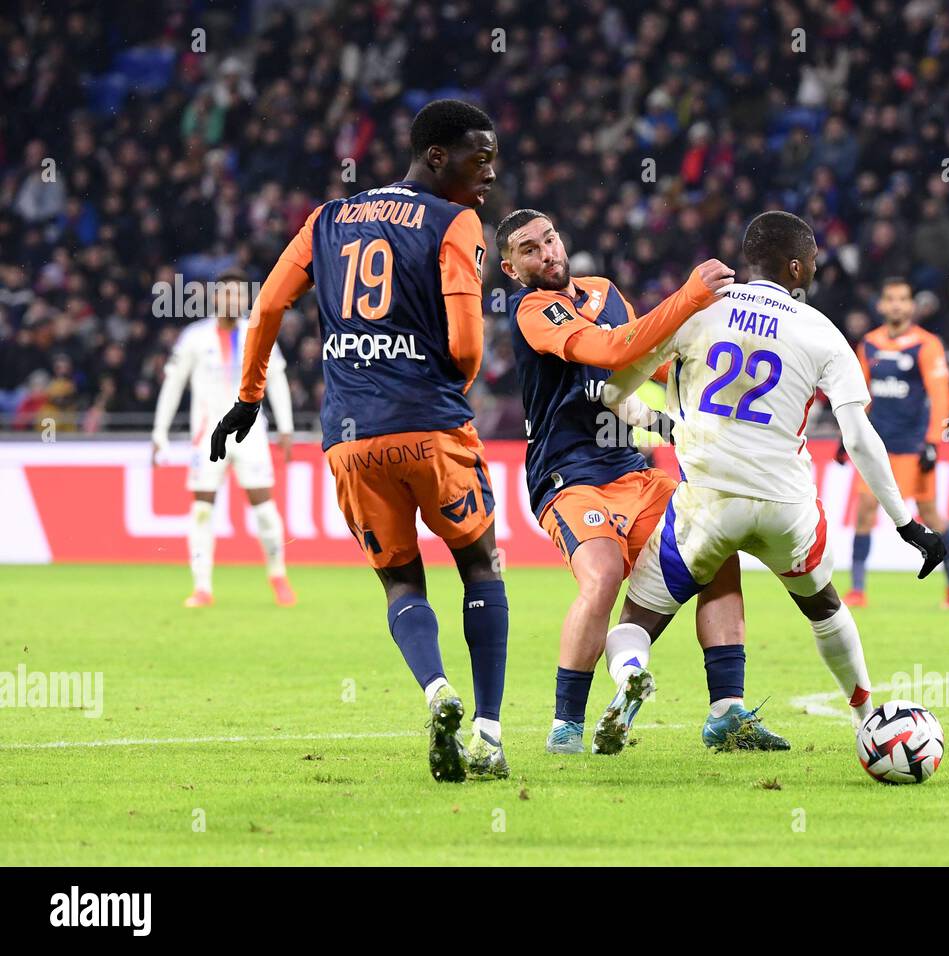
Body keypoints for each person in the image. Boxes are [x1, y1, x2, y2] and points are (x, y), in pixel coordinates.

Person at [209, 100, 508, 783]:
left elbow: (269, 306)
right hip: (432, 425)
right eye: (480, 158)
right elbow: (466, 346)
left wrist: (249, 396)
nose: (489, 174)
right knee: (481, 566)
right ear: (437, 156)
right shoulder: (455, 221)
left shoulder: (326, 219)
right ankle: (488, 733)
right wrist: (448, 378)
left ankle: (436, 691)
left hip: (351, 439)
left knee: (401, 579)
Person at [593, 211, 946, 753]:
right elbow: (859, 437)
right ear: (798, 266)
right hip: (785, 506)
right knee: (824, 606)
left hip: (706, 504)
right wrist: (906, 522)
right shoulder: (822, 330)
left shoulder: (697, 311)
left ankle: (631, 676)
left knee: (636, 618)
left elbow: (614, 395)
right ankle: (867, 720)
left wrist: (664, 425)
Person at [496, 208, 788, 755]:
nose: (548, 253)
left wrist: (730, 368)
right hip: (568, 475)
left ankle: (727, 712)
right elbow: (613, 351)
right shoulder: (532, 311)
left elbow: (652, 362)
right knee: (603, 574)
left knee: (718, 547)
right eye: (529, 250)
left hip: (631, 469)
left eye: (551, 239)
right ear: (511, 268)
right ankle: (566, 726)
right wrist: (689, 296)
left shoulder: (604, 292)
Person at [151, 267, 296, 609]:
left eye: (238, 294)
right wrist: (159, 431)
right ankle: (202, 587)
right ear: (216, 298)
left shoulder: (258, 331)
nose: (232, 299)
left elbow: (276, 380)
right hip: (207, 437)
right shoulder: (194, 337)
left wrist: (286, 428)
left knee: (264, 509)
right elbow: (173, 384)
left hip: (251, 435)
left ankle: (278, 576)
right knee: (202, 511)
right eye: (226, 293)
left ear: (246, 299)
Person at [845, 277, 949, 610]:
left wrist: (933, 441)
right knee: (864, 513)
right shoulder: (868, 344)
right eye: (890, 299)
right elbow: (858, 397)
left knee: (930, 515)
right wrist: (849, 434)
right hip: (877, 445)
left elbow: (940, 395)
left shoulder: (926, 345)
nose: (896, 305)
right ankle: (857, 590)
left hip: (913, 445)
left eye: (902, 299)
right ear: (881, 305)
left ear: (911, 306)